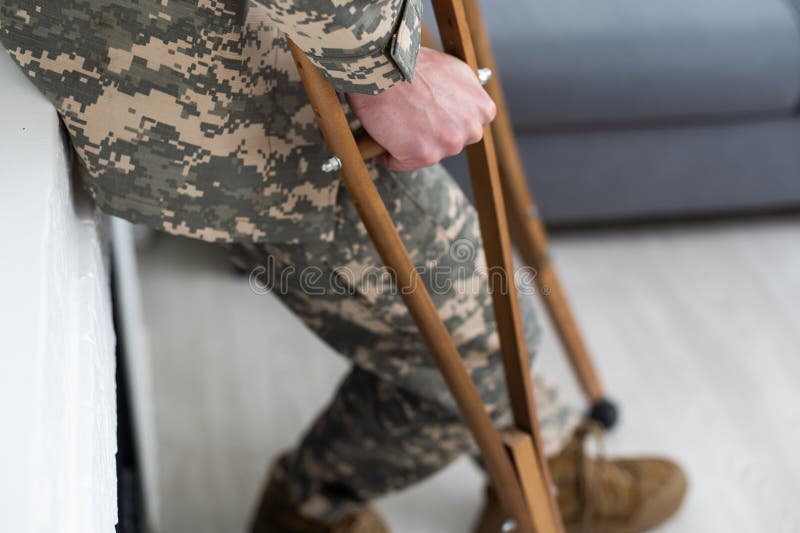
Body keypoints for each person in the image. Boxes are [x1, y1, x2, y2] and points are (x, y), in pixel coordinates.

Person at [0, 1, 687, 531]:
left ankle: (552, 451)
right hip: (246, 79)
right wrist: (388, 67)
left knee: (469, 310)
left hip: (242, 56)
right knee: (478, 342)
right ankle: (309, 510)